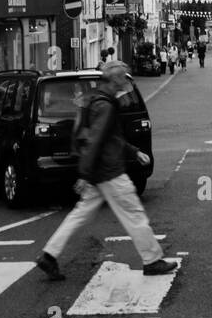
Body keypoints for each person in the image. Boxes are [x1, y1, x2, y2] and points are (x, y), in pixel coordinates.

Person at [36, 61, 178, 280]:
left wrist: (133, 151)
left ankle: (49, 255)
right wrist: (84, 174)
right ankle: (152, 260)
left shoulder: (96, 100)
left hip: (98, 172)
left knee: (80, 214)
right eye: (122, 78)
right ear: (113, 81)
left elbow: (109, 137)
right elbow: (95, 141)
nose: (125, 81)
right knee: (134, 214)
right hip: (110, 172)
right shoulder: (105, 106)